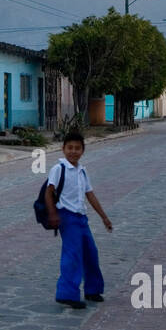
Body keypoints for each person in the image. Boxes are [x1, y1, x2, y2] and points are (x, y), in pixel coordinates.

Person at [45, 130, 113, 310]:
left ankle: (93, 289)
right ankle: (67, 294)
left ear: (83, 151)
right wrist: (52, 214)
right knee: (72, 254)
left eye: (77, 148)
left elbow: (90, 195)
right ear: (63, 149)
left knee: (91, 252)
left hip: (81, 218)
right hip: (66, 217)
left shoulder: (82, 171)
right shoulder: (58, 169)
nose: (73, 151)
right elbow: (48, 192)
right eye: (70, 148)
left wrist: (104, 217)